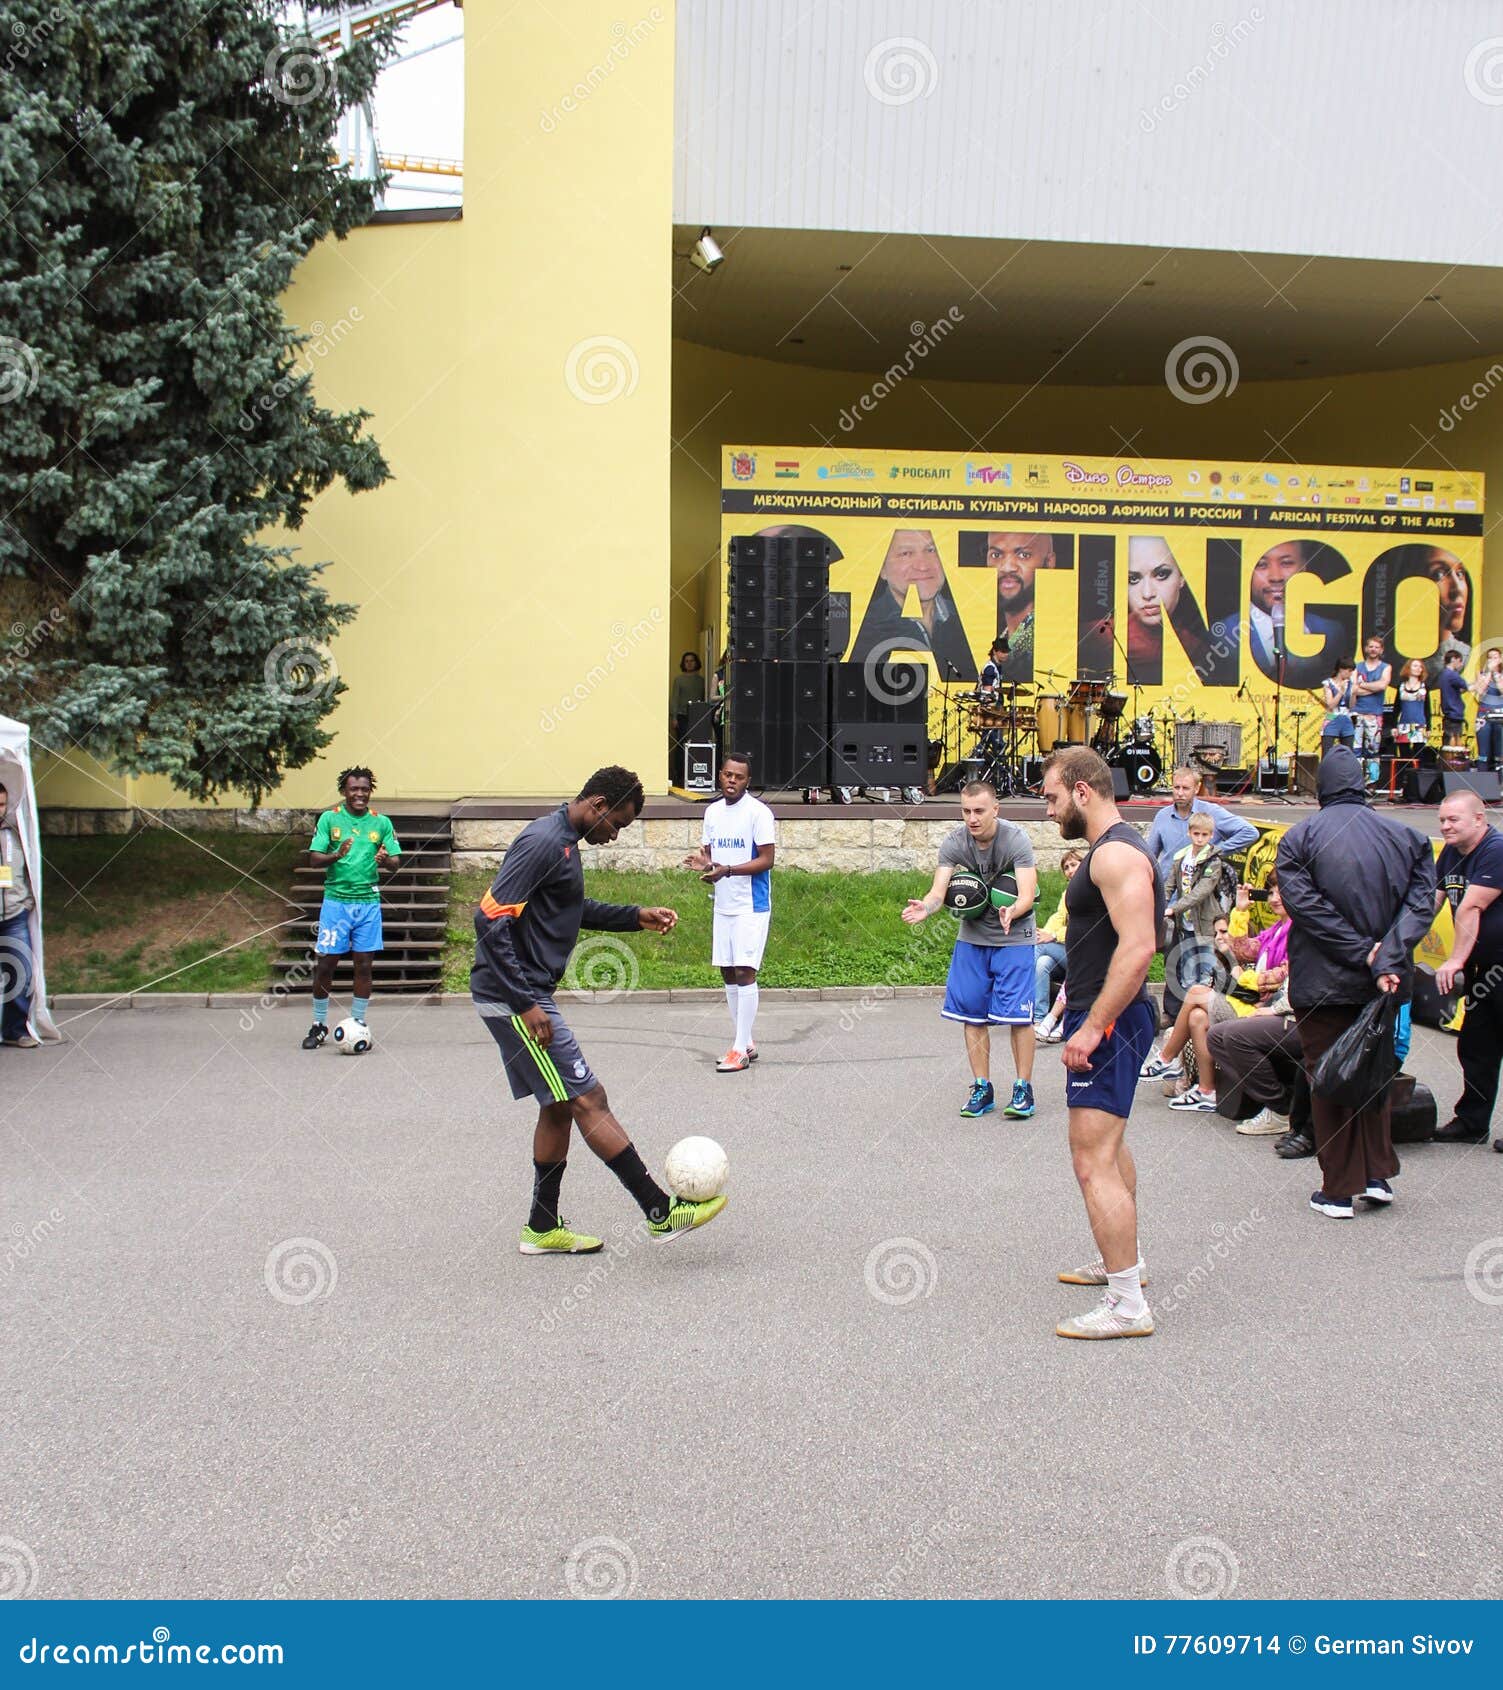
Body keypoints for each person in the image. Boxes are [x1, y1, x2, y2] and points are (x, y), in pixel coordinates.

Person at [471, 765, 726, 1253]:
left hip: (520, 992)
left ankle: (542, 1228)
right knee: (590, 1098)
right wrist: (525, 1004)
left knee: (559, 1105)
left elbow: (570, 907)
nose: (614, 836)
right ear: (598, 805)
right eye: (617, 825)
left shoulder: (564, 842)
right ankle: (659, 1211)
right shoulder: (544, 841)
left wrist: (635, 917)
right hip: (515, 996)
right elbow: (488, 919)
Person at [1275, 748, 1436, 1219]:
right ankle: (1376, 1174)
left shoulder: (1299, 838)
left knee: (1329, 1078)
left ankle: (1339, 1189)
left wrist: (1364, 952)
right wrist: (1384, 955)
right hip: (1384, 982)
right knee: (1374, 1073)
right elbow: (1422, 904)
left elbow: (1309, 910)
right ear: (1363, 784)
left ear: (1321, 786)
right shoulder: (1408, 837)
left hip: (1324, 983)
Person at [1041, 747, 1162, 1340]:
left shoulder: (1114, 853)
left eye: (1052, 797)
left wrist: (1092, 1027)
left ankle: (1127, 1306)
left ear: (1083, 792)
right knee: (1108, 1150)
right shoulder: (1114, 848)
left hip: (1108, 1020)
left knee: (1091, 1162)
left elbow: (1140, 947)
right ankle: (1128, 1270)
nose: (1049, 810)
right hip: (1106, 1016)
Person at [902, 779, 1039, 1120]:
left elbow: (1027, 892)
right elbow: (938, 891)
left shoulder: (1016, 839)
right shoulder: (954, 842)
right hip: (972, 940)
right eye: (966, 811)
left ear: (996, 809)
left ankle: (1023, 1088)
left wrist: (1014, 911)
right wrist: (928, 908)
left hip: (1014, 938)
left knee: (1018, 1018)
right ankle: (982, 1087)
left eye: (979, 811)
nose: (972, 818)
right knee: (972, 1015)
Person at [1143, 873, 1291, 1116]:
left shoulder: (1296, 931)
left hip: (1264, 1010)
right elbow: (1242, 949)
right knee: (1197, 1018)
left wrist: (1242, 977)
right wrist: (1241, 911)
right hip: (1249, 1003)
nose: (1274, 899)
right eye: (1271, 893)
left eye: (1279, 893)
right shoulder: (1276, 929)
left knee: (1196, 992)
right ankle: (1207, 1090)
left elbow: (1282, 975)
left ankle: (1167, 1059)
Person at [682, 752, 776, 1074]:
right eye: (727, 775)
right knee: (727, 972)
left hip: (751, 905)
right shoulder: (711, 813)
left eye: (739, 776)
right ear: (719, 776)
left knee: (744, 972)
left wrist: (728, 871)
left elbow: (767, 860)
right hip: (723, 904)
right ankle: (746, 1040)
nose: (732, 780)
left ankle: (739, 1050)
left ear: (748, 781)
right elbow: (711, 856)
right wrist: (706, 865)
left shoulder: (759, 813)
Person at [300, 767, 401, 1049]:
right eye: (354, 789)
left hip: (367, 904)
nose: (359, 794)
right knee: (326, 964)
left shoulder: (381, 823)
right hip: (336, 903)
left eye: (364, 789)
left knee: (364, 965)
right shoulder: (330, 819)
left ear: (370, 791)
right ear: (344, 791)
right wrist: (337, 854)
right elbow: (314, 860)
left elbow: (395, 862)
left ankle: (358, 1023)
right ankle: (319, 1025)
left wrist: (385, 860)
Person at [1432, 790, 1503, 1149]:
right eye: (1442, 820)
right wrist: (1392, 944)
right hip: (1483, 969)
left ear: (1479, 819)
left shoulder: (1496, 849)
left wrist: (1456, 960)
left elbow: (1470, 909)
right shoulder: (1450, 854)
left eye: (1453, 819)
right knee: (1477, 1046)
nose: (1445, 826)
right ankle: (1473, 1122)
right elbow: (1431, 902)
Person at [849, 528, 976, 681]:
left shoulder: (967, 617)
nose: (923, 566)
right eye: (906, 554)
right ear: (882, 569)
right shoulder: (866, 626)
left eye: (931, 550)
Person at [1246, 540, 1348, 690]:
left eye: (1286, 563)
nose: (1276, 577)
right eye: (1262, 565)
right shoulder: (1225, 637)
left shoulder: (1332, 631)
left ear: (1304, 568)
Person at [1144, 766, 1259, 893]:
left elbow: (1250, 832)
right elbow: (1149, 856)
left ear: (1197, 788)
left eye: (1186, 788)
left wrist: (1213, 853)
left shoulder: (1211, 812)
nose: (1180, 793)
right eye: (1176, 787)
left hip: (1201, 892)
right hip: (1168, 891)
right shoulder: (1162, 816)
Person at [1124, 536, 1211, 680]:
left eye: (1161, 574)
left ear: (1182, 577)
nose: (1147, 593)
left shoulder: (1198, 649)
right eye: (1133, 579)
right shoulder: (1099, 638)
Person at [986, 531, 1055, 684]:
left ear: (1049, 562)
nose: (1007, 567)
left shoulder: (1049, 632)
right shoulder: (1003, 636)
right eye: (996, 555)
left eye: (1023, 555)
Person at [0, 782, 39, 1048]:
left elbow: (28, 868)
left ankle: (16, 1030)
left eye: (1, 804)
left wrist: (26, 901)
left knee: (20, 974)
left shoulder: (15, 834)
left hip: (14, 915)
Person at [1034, 848, 1082, 1030]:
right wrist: (1045, 933)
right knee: (1042, 963)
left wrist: (1052, 936)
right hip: (1067, 950)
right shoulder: (1067, 893)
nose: (1070, 870)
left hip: (1084, 954)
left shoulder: (1090, 890)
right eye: (1066, 867)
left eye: (1074, 864)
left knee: (1039, 949)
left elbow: (1081, 929)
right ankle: (1038, 1018)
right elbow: (1058, 918)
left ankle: (1016, 999)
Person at [1352, 636, 1391, 785]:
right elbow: (1353, 689)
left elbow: (1382, 686)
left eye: (1376, 647)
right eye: (1371, 646)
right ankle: (1355, 781)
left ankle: (1371, 783)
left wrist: (1364, 685)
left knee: (1373, 751)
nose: (1373, 649)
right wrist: (1373, 687)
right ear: (1366, 648)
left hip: (1374, 715)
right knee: (1355, 750)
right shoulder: (1358, 666)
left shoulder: (1385, 667)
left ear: (1381, 650)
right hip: (1357, 713)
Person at [669, 651, 706, 779]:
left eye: (692, 661)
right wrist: (674, 717)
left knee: (697, 745)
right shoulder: (679, 680)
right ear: (683, 664)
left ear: (696, 663)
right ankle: (679, 774)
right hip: (682, 716)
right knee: (682, 745)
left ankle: (694, 772)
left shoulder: (701, 680)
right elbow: (674, 699)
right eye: (686, 661)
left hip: (697, 716)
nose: (689, 663)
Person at [1471, 647, 1503, 771]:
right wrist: (1489, 672)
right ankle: (1483, 782)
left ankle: (1500, 784)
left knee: (1499, 753)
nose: (1493, 660)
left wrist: (1495, 673)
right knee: (1483, 753)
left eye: (1495, 657)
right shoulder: (1481, 673)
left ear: (1500, 659)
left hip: (1500, 716)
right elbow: (1480, 692)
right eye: (1490, 657)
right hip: (1484, 716)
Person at [1320, 657, 1357, 757]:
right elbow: (1330, 705)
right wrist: (1341, 691)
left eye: (1352, 671)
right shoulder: (1328, 683)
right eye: (1349, 671)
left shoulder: (1350, 684)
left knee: (1348, 753)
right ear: (1341, 669)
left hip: (1346, 718)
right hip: (1332, 717)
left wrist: (1354, 694)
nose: (1350, 674)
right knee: (1327, 752)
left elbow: (1351, 706)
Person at [1394, 658, 1429, 747]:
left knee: (1418, 756)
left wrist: (1429, 728)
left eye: (1420, 667)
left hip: (1420, 725)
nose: (1418, 668)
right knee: (1404, 755)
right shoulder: (1401, 686)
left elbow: (1427, 709)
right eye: (1415, 666)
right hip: (1404, 725)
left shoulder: (1424, 687)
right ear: (1408, 668)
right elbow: (1396, 709)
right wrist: (1394, 726)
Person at [1439, 649, 1470, 749]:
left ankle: (1447, 762)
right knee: (1455, 742)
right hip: (1454, 713)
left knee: (1448, 740)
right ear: (1453, 659)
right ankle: (1453, 763)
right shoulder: (1452, 675)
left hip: (1448, 713)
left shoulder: (1444, 674)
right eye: (1460, 661)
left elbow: (1456, 690)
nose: (1461, 664)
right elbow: (1466, 686)